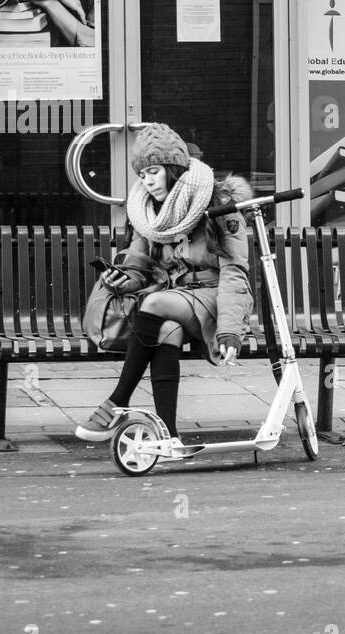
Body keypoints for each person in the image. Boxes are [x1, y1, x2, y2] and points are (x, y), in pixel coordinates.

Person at [75, 124, 253, 443]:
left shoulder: (221, 207)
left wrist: (230, 330)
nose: (147, 181)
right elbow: (139, 266)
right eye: (142, 175)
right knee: (165, 331)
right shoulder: (150, 214)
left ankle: (118, 399)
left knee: (154, 304)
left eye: (154, 171)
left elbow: (235, 273)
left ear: (173, 170)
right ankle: (169, 435)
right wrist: (123, 279)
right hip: (175, 297)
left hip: (214, 298)